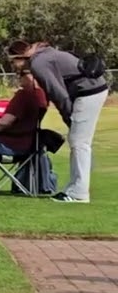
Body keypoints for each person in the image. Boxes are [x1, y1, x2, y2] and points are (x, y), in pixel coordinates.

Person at [12, 40, 109, 203]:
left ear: (20, 56)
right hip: (89, 91)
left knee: (79, 142)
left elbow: (57, 93)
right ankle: (74, 188)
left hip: (88, 92)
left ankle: (79, 193)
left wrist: (68, 116)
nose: (13, 66)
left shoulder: (38, 64)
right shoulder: (44, 54)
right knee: (77, 140)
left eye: (12, 61)